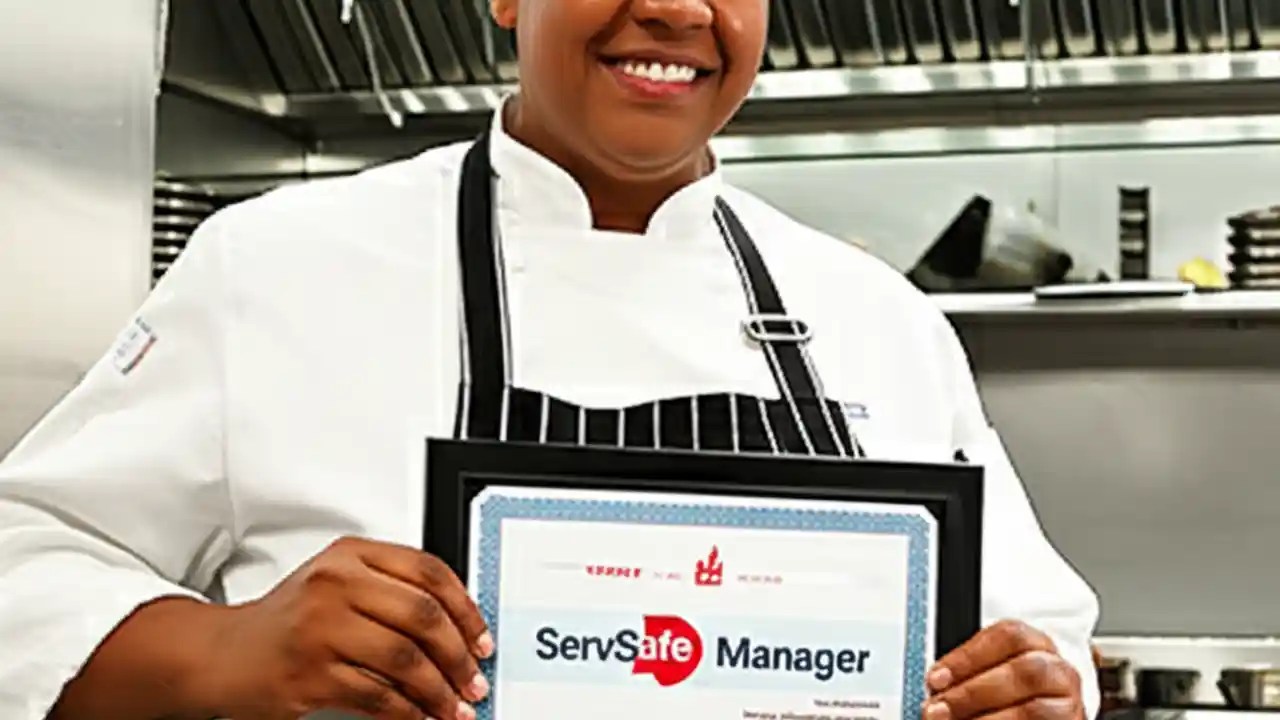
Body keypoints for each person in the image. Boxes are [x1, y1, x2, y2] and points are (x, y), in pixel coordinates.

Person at [0, 0, 1100, 719]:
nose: (676, 9)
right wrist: (226, 655)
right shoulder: (276, 264)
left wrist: (1033, 692)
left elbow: (1036, 640)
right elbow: (25, 566)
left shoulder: (877, 317)